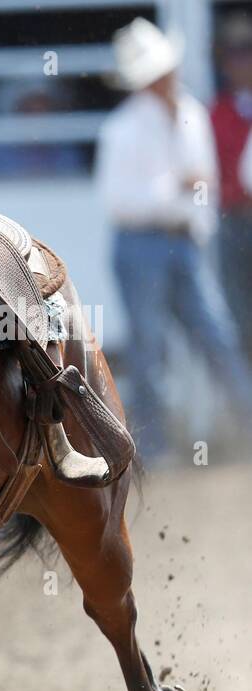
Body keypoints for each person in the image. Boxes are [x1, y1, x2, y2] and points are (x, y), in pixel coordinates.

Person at [96, 18, 252, 458]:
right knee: (150, 349)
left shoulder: (189, 116)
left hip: (181, 243)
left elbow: (203, 184)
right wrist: (177, 191)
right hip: (142, 244)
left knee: (216, 336)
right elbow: (119, 202)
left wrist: (186, 204)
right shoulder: (123, 129)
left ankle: (244, 431)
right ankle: (155, 449)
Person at [210, 14, 252, 362]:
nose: (242, 63)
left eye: (247, 53)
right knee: (239, 310)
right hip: (236, 219)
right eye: (235, 55)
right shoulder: (216, 114)